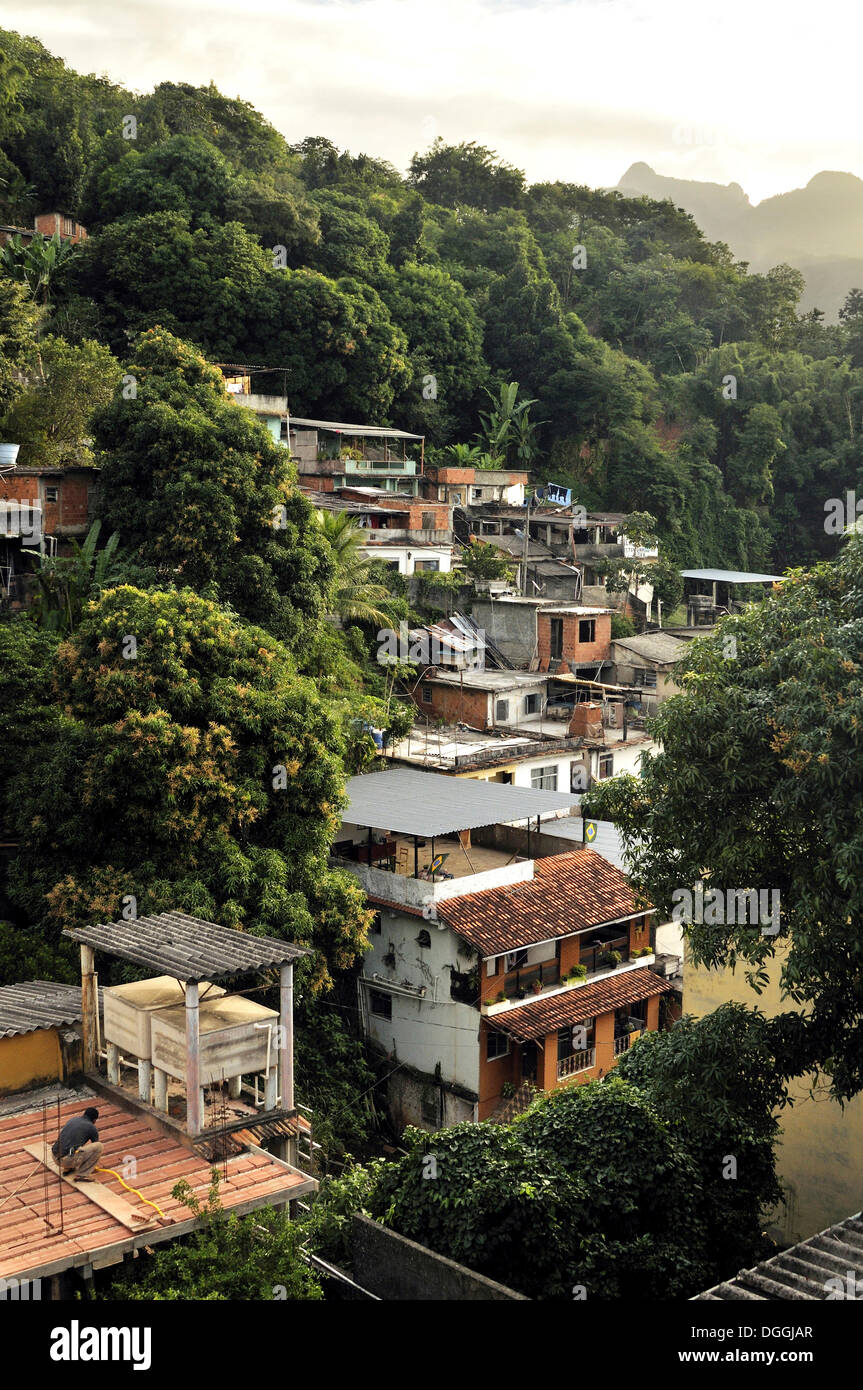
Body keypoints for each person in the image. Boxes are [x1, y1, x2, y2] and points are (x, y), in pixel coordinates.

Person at [51, 1106, 103, 1182]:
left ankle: (68, 1168)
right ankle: (82, 1174)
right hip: (66, 1160)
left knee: (73, 1147)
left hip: (54, 1156)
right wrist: (92, 1163)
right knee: (99, 1146)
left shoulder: (73, 1119)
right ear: (94, 1120)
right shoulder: (92, 1128)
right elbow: (95, 1145)